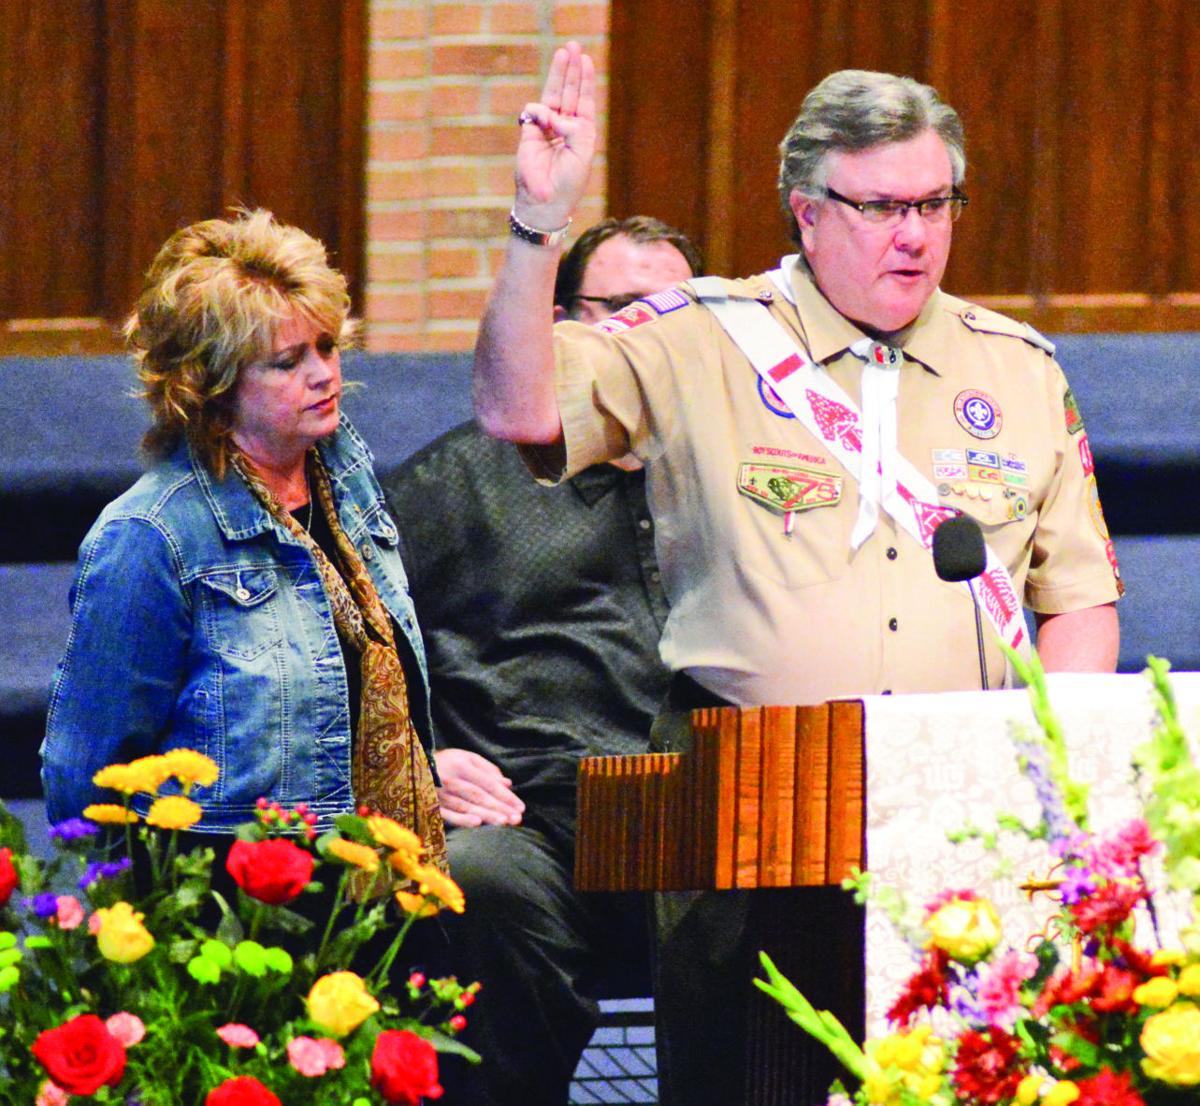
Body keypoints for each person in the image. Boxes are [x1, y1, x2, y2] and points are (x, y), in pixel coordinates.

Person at [472, 43, 1123, 1102]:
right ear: (806, 208)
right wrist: (539, 231)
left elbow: (1080, 600)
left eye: (934, 202)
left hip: (962, 806)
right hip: (746, 796)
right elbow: (516, 408)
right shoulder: (699, 339)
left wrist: (1050, 770)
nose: (913, 233)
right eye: (878, 206)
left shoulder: (1019, 367)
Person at [384, 215, 700, 1106]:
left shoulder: (744, 476)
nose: (653, 335)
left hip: (711, 820)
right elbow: (344, 642)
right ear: (560, 325)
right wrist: (414, 761)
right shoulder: (462, 480)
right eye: (627, 309)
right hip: (536, 824)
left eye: (678, 313)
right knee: (478, 881)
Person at [41, 209, 445, 869]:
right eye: (287, 362)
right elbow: (86, 778)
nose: (322, 374)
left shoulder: (346, 476)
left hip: (370, 878)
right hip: (232, 900)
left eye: (327, 346)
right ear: (213, 384)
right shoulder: (149, 536)